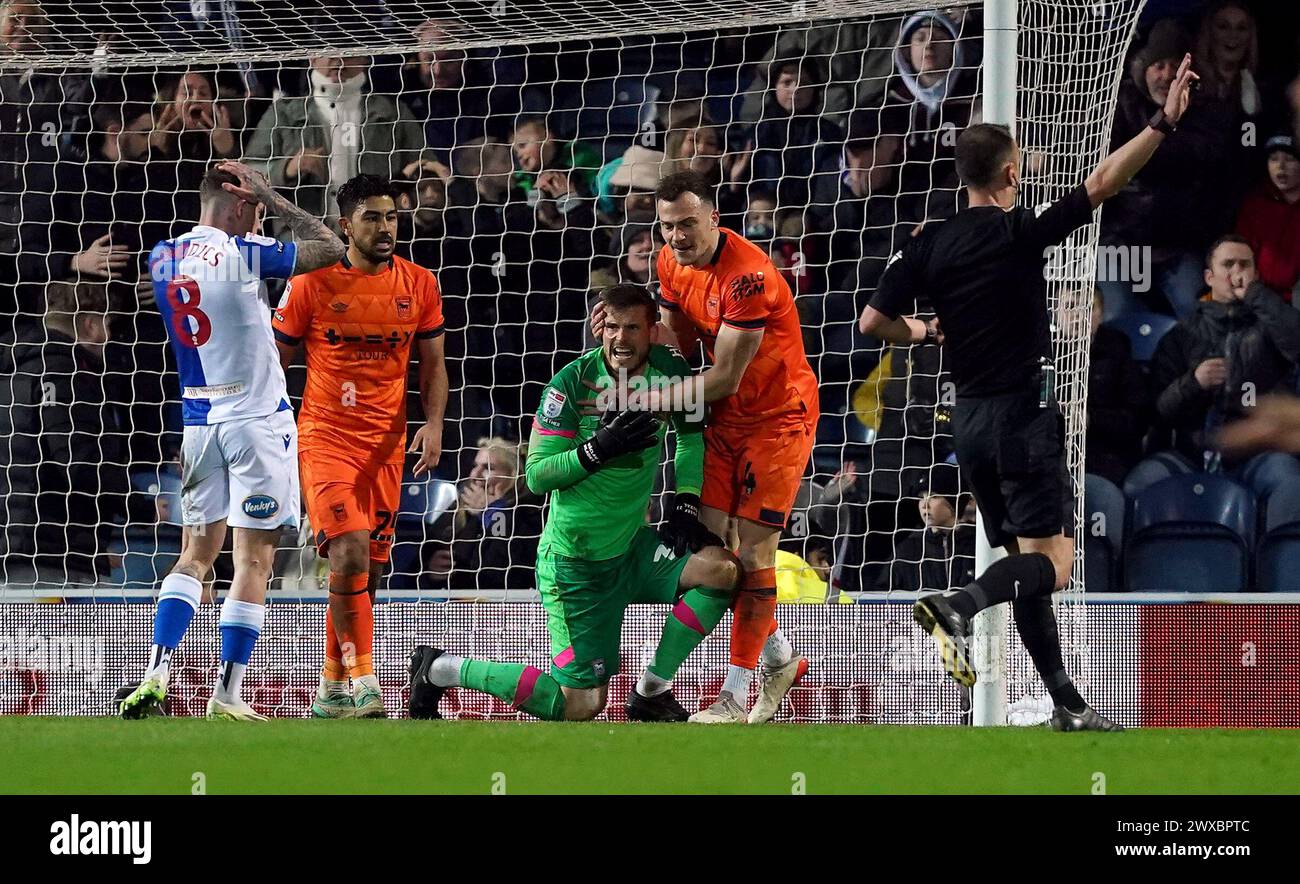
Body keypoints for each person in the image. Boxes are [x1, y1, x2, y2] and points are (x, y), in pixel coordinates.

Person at [857, 55, 1200, 732]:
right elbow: (1103, 180)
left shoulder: (927, 242)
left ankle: (1068, 707)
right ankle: (957, 604)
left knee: (1026, 567)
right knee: (1055, 565)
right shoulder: (1019, 230)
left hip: (969, 427)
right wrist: (1161, 122)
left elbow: (870, 322)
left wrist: (927, 330)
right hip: (1023, 418)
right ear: (1011, 173)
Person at [408, 284, 741, 722]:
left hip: (632, 549)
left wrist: (685, 499)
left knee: (723, 571)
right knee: (579, 705)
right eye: (613, 328)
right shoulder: (568, 386)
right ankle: (440, 669)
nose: (621, 339)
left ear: (653, 330)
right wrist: (597, 449)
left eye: (633, 329)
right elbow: (537, 475)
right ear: (600, 327)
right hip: (577, 565)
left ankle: (651, 690)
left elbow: (691, 438)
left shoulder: (674, 371)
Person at [591, 170, 819, 723]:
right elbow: (681, 346)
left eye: (688, 223)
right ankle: (781, 658)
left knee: (756, 553)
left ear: (714, 217)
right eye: (667, 226)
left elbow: (723, 378)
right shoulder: (669, 265)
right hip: (723, 423)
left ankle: (735, 696)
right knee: (710, 558)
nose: (676, 237)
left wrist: (644, 400)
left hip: (775, 420)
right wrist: (625, 334)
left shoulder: (749, 279)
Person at [120, 161, 345, 721]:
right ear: (240, 204)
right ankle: (227, 693)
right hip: (255, 428)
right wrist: (276, 197)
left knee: (195, 555)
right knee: (253, 561)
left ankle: (156, 671)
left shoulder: (161, 257)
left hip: (198, 429)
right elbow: (332, 248)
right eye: (257, 210)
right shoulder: (244, 254)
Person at [273, 174, 449, 719]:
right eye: (372, 217)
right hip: (325, 436)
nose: (385, 226)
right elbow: (274, 361)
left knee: (368, 572)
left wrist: (435, 424)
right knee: (347, 548)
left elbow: (433, 365)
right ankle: (366, 679)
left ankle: (330, 688)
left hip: (386, 446)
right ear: (345, 225)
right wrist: (274, 431)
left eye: (392, 216)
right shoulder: (311, 283)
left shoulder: (419, 283)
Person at [1141, 235, 1300, 498]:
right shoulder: (1181, 335)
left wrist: (1256, 295)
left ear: (1255, 275)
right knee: (1142, 483)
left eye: (1244, 265)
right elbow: (1157, 412)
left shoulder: (1271, 325)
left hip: (1258, 454)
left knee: (1289, 483)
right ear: (1208, 277)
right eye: (1228, 264)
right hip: (1189, 455)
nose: (1236, 272)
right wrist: (1193, 383)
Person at [0, 280, 127, 584]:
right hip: (50, 555)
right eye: (108, 324)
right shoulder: (65, 372)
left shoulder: (14, 370)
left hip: (17, 546)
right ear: (91, 324)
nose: (109, 337)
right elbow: (77, 461)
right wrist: (140, 506)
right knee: (62, 633)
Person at [1085, 288, 1149, 487]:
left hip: (1108, 456)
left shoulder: (1117, 350)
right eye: (1069, 306)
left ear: (1101, 313)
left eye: (1089, 308)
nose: (1079, 315)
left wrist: (1091, 419)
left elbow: (1138, 419)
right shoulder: (1045, 356)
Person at [1235, 134, 1300, 301]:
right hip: (1258, 298)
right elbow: (1241, 255)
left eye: (1290, 159)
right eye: (1273, 159)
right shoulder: (1256, 204)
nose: (1281, 166)